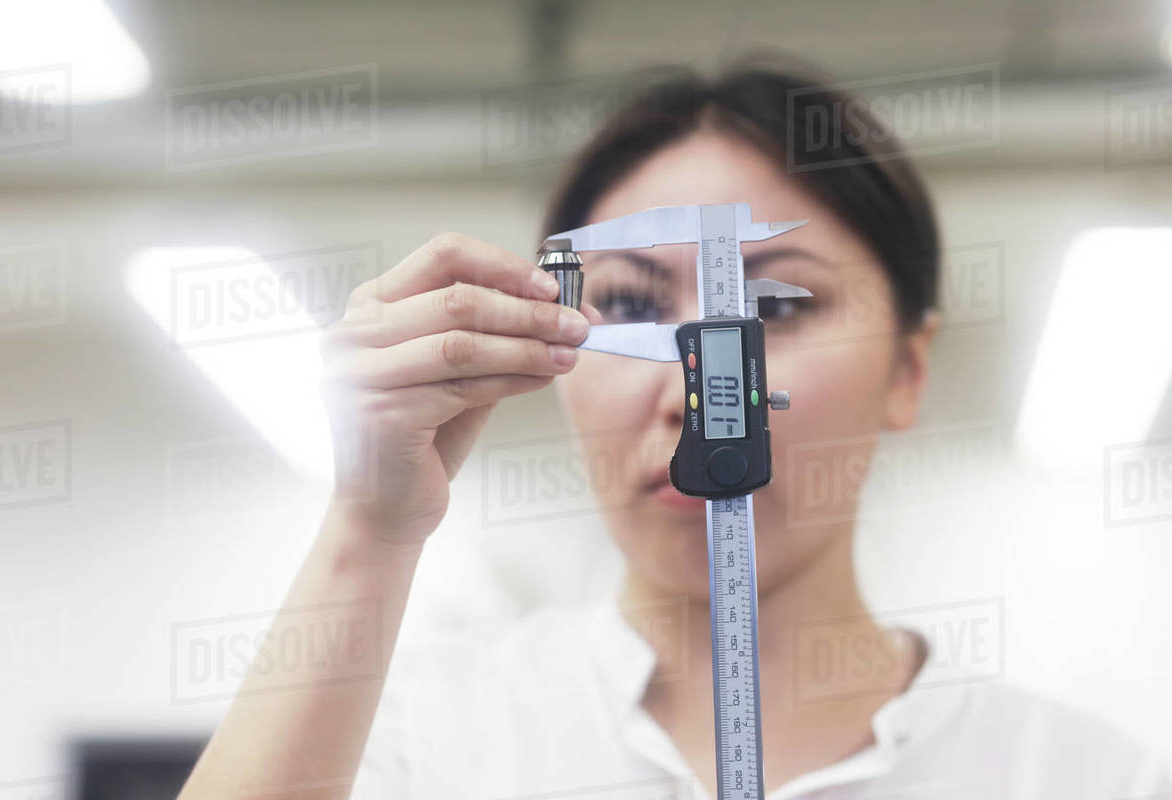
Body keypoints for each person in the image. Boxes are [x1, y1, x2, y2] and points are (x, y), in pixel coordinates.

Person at [177, 55, 1170, 800]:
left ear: (907, 370)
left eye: (774, 308)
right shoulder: (416, 736)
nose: (696, 386)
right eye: (628, 305)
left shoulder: (1086, 776)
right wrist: (369, 527)